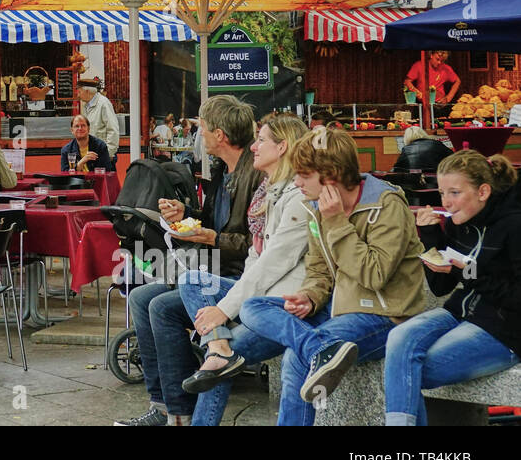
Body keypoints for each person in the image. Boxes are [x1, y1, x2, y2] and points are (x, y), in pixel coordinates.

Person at [239, 128, 425, 426]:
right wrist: (310, 295)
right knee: (252, 307)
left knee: (294, 359)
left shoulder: (386, 205)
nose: (297, 181)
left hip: (385, 315)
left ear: (331, 174)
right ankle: (318, 348)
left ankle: (316, 349)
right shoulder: (315, 207)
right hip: (336, 311)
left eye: (304, 174)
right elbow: (319, 269)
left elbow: (374, 274)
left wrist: (337, 222)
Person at [114, 94, 261, 426]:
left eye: (204, 128)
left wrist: (210, 237)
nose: (200, 135)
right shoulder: (224, 172)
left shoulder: (254, 176)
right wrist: (187, 214)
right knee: (140, 297)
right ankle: (162, 407)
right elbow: (213, 223)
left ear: (220, 134)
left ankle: (179, 412)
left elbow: (258, 244)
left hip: (240, 279)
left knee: (161, 307)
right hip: (216, 272)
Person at [175, 113, 313, 424]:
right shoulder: (271, 191)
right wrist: (221, 322)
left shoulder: (299, 197)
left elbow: (271, 265)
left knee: (221, 364)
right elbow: (255, 260)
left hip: (286, 305)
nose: (254, 146)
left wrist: (223, 311)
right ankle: (218, 346)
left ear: (282, 148)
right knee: (192, 280)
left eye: (261, 140)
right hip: (257, 294)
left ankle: (218, 357)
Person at [384, 150, 521, 425]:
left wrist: (468, 272)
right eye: (443, 192)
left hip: (503, 328)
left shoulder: (514, 225)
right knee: (398, 338)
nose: (446, 202)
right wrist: (432, 236)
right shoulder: (461, 222)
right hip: (459, 312)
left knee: (409, 370)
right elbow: (439, 286)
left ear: (482, 191)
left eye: (455, 193)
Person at [76, 77, 119, 168]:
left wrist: (109, 154)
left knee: (105, 182)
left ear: (87, 91)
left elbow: (113, 129)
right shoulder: (86, 106)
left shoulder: (103, 103)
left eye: (79, 92)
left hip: (103, 156)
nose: (78, 95)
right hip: (91, 156)